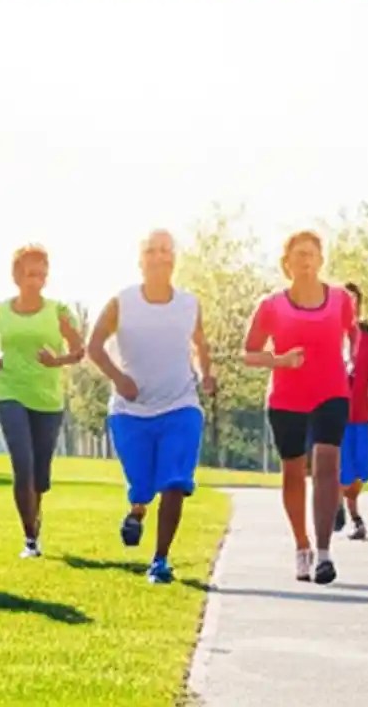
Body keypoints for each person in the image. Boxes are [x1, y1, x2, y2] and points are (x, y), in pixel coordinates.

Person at [87, 229, 215, 584]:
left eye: (166, 251)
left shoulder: (189, 304)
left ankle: (160, 559)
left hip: (180, 404)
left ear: (174, 258)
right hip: (131, 413)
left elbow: (200, 343)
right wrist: (118, 378)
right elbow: (94, 346)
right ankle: (137, 509)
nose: (160, 257)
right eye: (152, 251)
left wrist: (206, 374)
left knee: (175, 480)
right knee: (143, 484)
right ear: (140, 260)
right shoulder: (122, 302)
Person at [242, 230, 354, 585]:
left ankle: (323, 553)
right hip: (287, 397)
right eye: (298, 255)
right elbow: (248, 352)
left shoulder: (340, 299)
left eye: (311, 254)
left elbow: (351, 336)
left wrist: (350, 362)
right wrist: (279, 360)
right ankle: (301, 545)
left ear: (321, 260)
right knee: (293, 472)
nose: (305, 261)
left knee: (326, 464)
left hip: (331, 391)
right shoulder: (271, 305)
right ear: (286, 263)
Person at [0, 244, 85, 558]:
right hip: (9, 391)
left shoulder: (59, 311)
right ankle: (29, 539)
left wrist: (58, 360)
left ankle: (34, 519)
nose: (35, 281)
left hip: (47, 398)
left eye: (41, 275)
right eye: (29, 274)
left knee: (40, 474)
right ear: (16, 276)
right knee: (22, 465)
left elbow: (79, 350)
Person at [332, 282, 368, 541]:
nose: (349, 306)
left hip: (359, 415)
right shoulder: (326, 337)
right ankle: (352, 515)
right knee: (336, 465)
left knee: (358, 471)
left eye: (353, 301)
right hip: (331, 413)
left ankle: (344, 502)